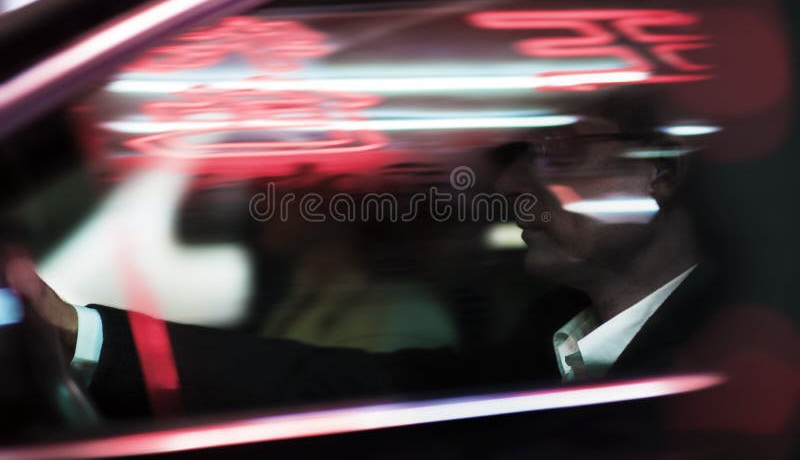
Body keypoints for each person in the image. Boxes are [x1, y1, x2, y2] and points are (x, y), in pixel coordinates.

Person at [4, 95, 724, 418]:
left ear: (660, 170)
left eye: (560, 152)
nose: (510, 185)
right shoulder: (551, 341)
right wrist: (75, 330)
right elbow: (345, 392)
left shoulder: (735, 365)